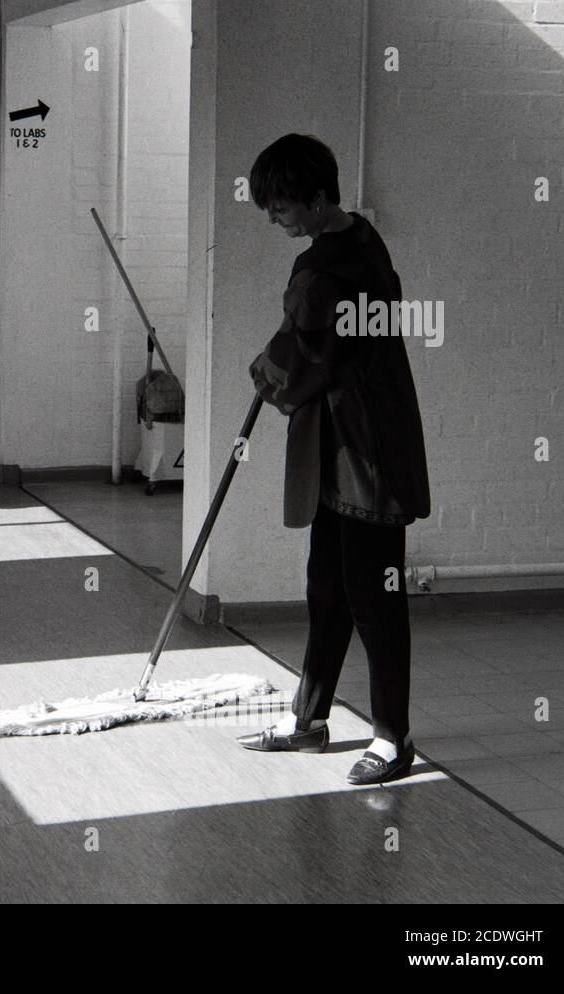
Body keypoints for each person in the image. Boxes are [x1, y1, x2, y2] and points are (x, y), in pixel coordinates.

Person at [235, 133, 431, 786]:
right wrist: (282, 362)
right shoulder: (359, 242)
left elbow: (309, 356)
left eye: (282, 207)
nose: (273, 218)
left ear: (319, 201)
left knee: (375, 596)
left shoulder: (331, 270)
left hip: (367, 450)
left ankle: (393, 738)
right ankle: (308, 720)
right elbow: (312, 343)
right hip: (341, 445)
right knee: (327, 587)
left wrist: (267, 372)